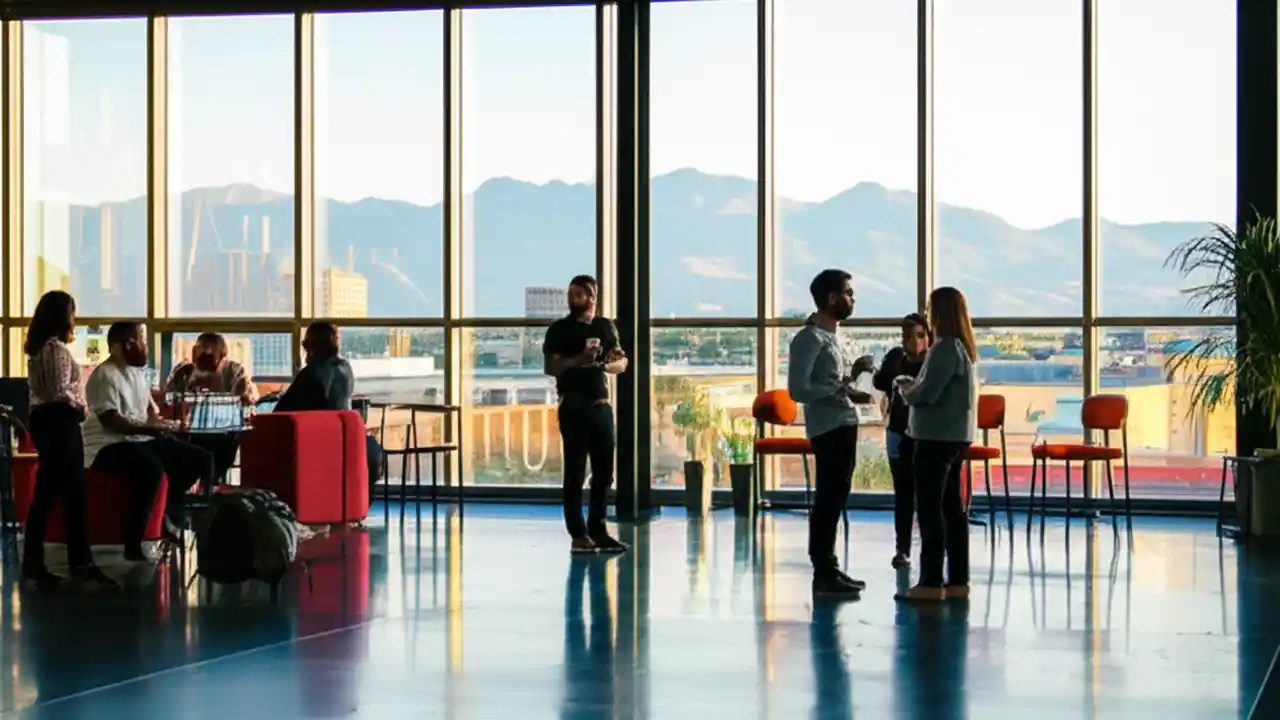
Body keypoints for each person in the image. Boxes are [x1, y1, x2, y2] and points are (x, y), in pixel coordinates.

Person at [83, 321, 214, 562]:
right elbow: (112, 423)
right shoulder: (103, 376)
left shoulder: (137, 375)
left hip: (139, 440)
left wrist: (164, 427)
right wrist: (154, 429)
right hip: (107, 447)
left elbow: (151, 413)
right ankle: (134, 543)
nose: (145, 347)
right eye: (141, 341)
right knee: (150, 467)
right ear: (122, 346)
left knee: (200, 458)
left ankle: (176, 512)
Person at [20, 291, 119, 592]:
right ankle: (80, 566)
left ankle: (37, 564)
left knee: (48, 494)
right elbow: (59, 392)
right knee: (71, 496)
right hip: (60, 423)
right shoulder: (56, 350)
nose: (75, 319)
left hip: (47, 423)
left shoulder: (41, 349)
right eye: (72, 313)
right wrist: (81, 407)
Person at [788, 269, 876, 598]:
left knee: (836, 497)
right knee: (828, 499)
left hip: (843, 422)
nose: (853, 299)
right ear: (832, 298)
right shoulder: (809, 339)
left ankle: (830, 567)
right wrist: (841, 390)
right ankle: (823, 570)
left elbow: (830, 384)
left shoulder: (830, 338)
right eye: (848, 293)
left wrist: (852, 380)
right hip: (829, 427)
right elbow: (798, 389)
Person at [895, 287, 978, 603]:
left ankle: (930, 581)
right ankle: (957, 580)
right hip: (955, 437)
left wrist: (907, 389)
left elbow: (927, 394)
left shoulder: (944, 348)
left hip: (935, 437)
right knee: (951, 509)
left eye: (930, 309)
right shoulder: (963, 349)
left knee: (930, 509)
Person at [542, 275, 629, 555]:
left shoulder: (605, 326)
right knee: (575, 471)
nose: (573, 299)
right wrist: (579, 360)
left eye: (579, 294)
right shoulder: (559, 329)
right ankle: (578, 534)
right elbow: (551, 367)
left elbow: (621, 362)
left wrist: (607, 364)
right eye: (571, 294)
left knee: (604, 472)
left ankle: (598, 529)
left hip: (600, 405)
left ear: (592, 297)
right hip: (573, 406)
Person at [274, 322, 383, 488]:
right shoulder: (345, 368)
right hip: (343, 443)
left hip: (315, 449)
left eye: (305, 344)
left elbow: (280, 414)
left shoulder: (311, 373)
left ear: (312, 346)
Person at [872, 313, 931, 569]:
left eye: (920, 335)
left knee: (928, 492)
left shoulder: (933, 363)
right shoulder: (896, 359)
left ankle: (930, 549)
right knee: (903, 492)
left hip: (925, 433)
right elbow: (880, 383)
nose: (914, 342)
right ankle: (902, 548)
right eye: (908, 336)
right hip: (898, 429)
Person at [164, 332, 258, 484]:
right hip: (188, 430)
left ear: (222, 355)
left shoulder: (235, 371)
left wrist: (244, 395)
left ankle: (212, 482)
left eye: (209, 352)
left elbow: (248, 397)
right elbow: (169, 397)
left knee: (225, 444)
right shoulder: (184, 371)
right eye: (198, 351)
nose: (202, 357)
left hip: (223, 430)